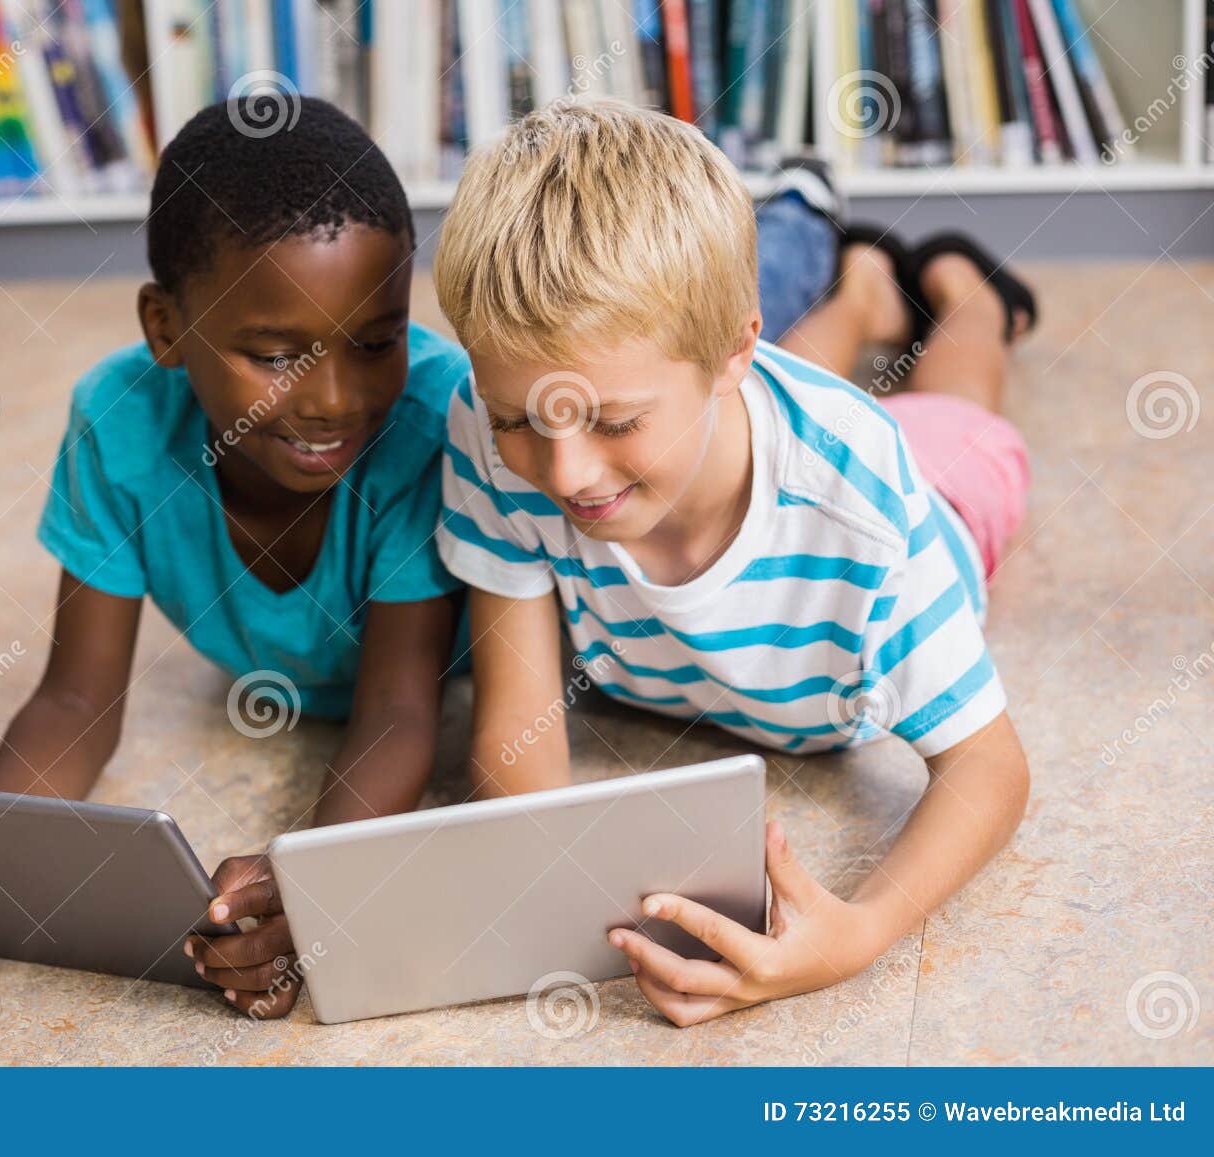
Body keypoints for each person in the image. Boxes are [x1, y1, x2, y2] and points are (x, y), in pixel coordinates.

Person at [0, 95, 853, 1021]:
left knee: (753, 345)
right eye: (276, 356)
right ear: (165, 327)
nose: (334, 400)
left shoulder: (434, 419)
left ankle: (822, 231)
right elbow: (76, 698)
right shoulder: (115, 424)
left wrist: (306, 883)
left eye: (375, 341)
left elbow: (399, 707)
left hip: (695, 346)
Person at [433, 99, 1035, 1027]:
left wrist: (858, 932)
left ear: (732, 350)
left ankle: (968, 294)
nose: (566, 474)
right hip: (754, 421)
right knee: (759, 394)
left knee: (958, 412)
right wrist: (560, 901)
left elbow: (989, 767)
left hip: (938, 499)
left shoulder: (863, 496)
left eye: (616, 422)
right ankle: (862, 289)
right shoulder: (490, 430)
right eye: (519, 419)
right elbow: (516, 734)